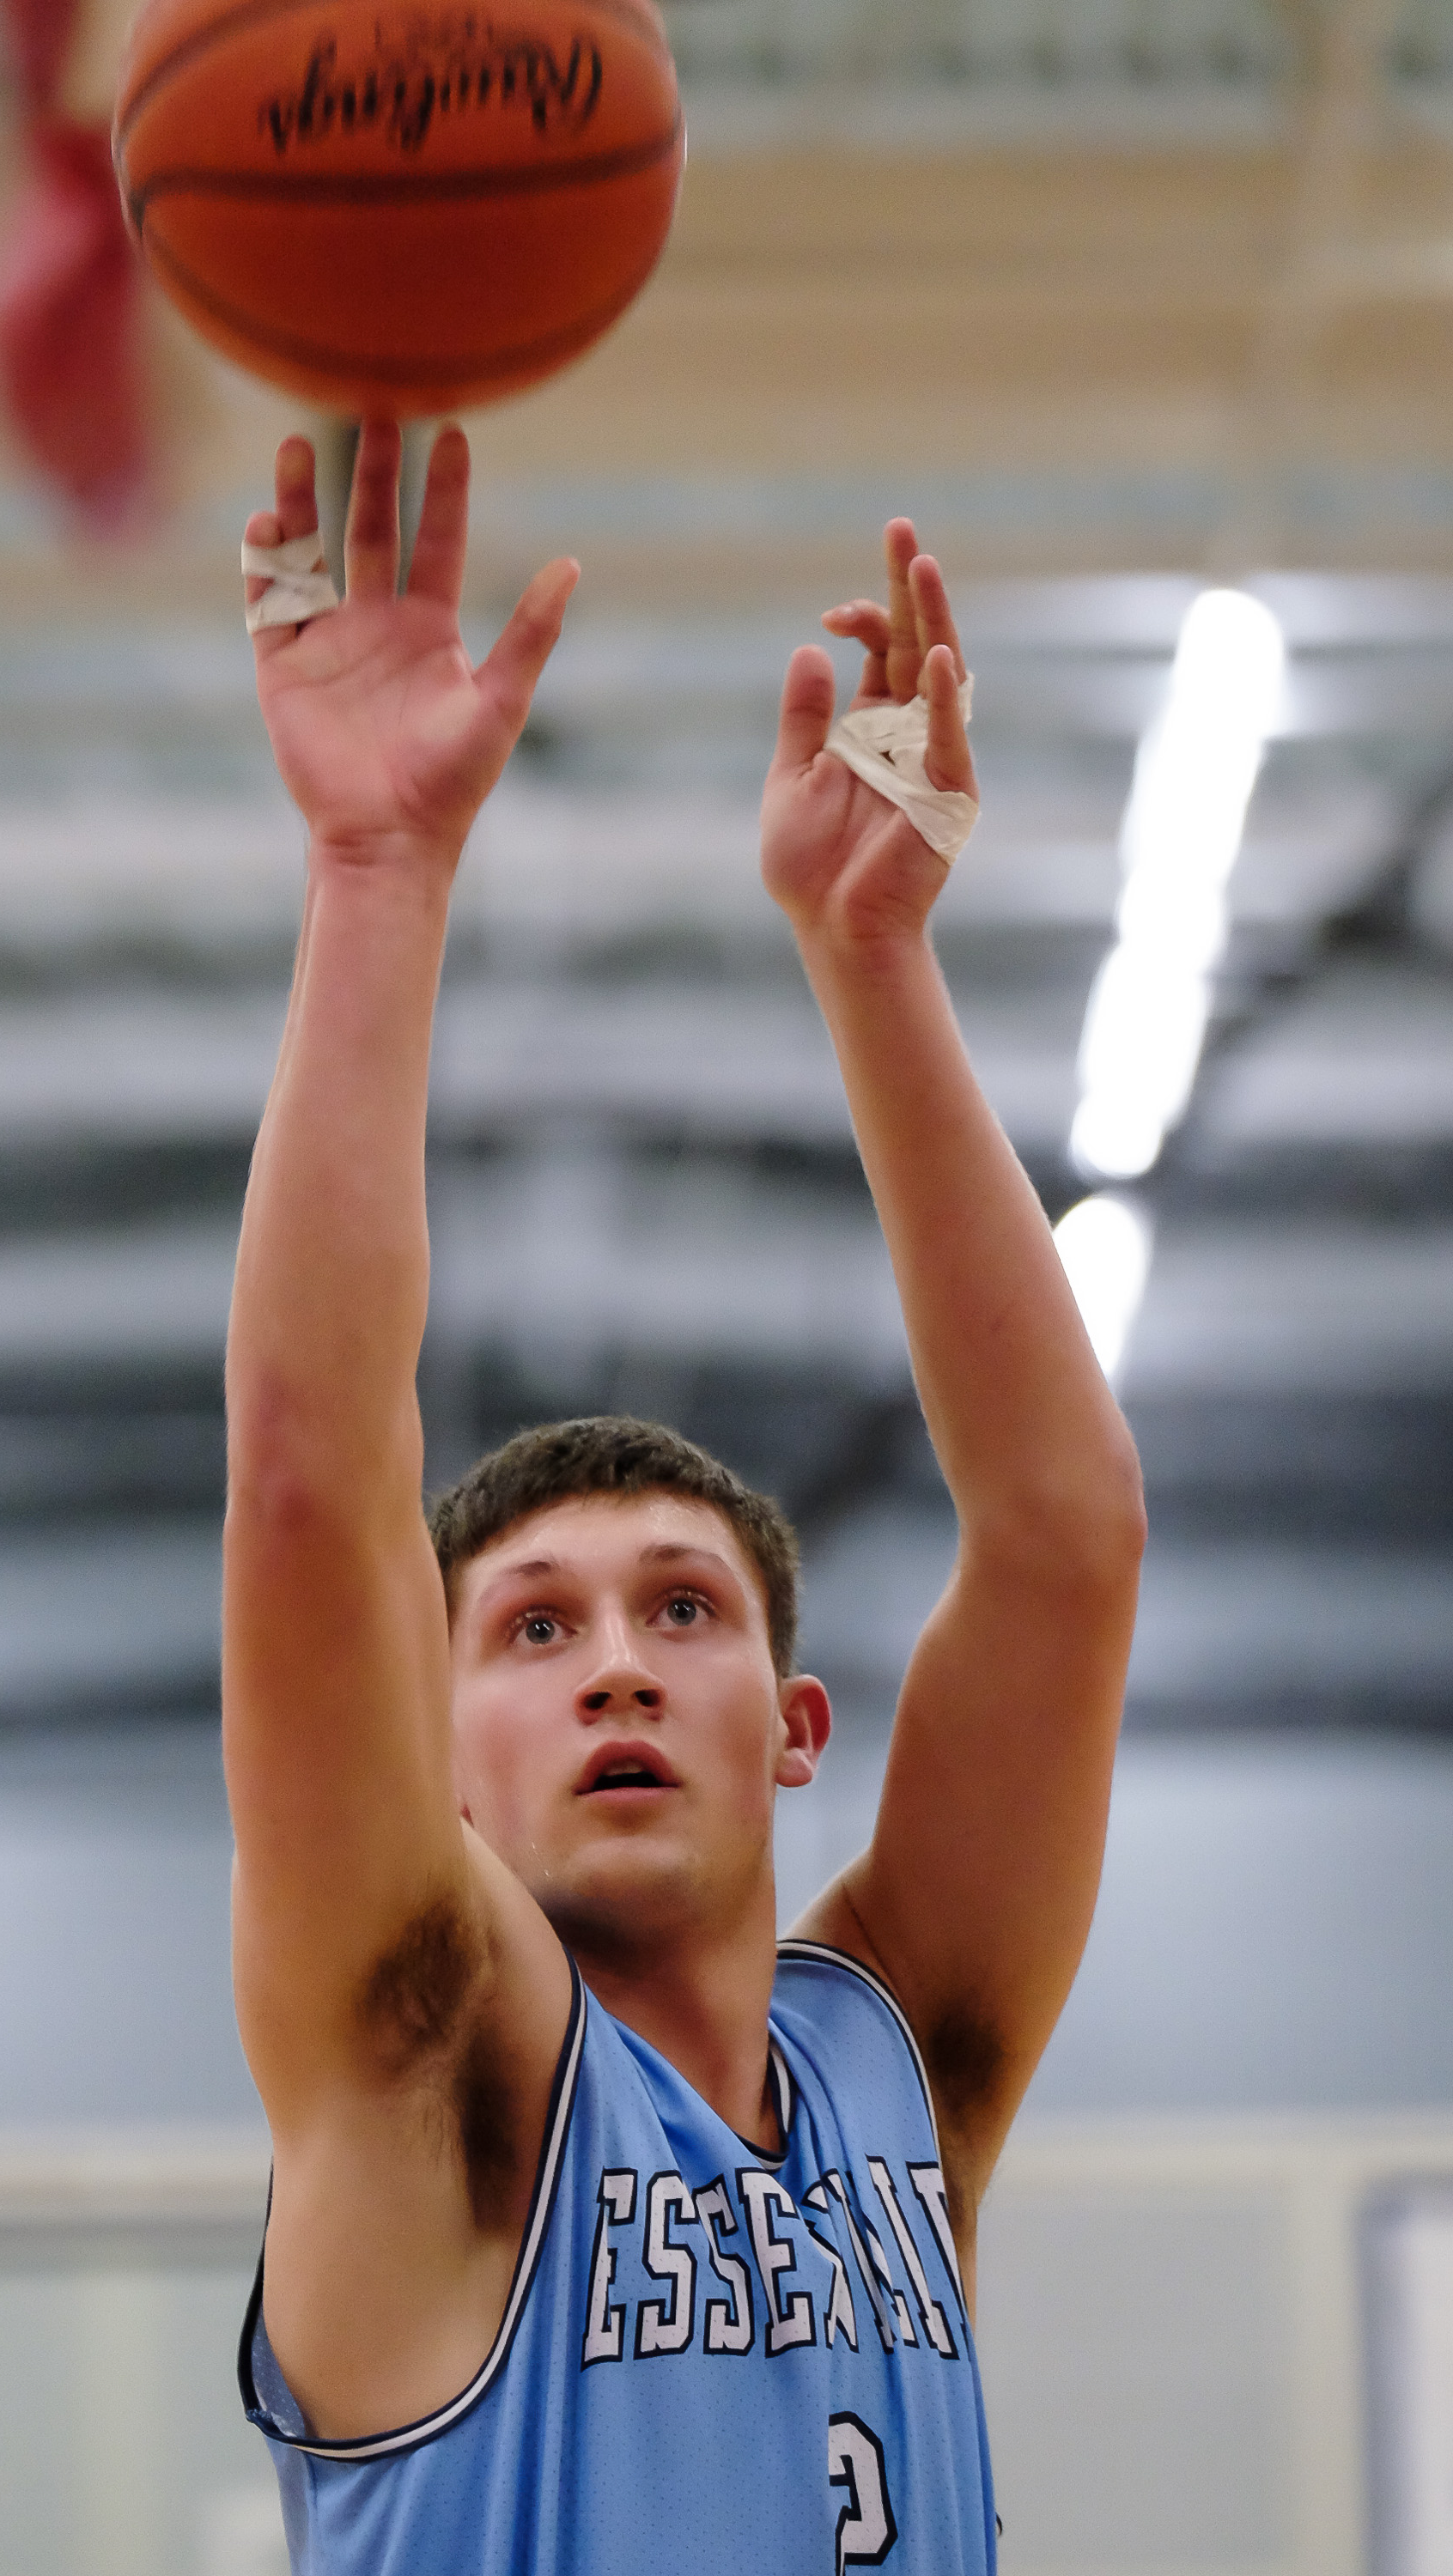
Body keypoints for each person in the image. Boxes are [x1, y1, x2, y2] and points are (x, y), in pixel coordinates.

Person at [224, 419, 1146, 2576]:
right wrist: (377, 878)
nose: (616, 1663)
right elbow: (299, 1482)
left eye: (684, 1613)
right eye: (532, 1629)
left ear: (796, 1726)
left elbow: (1066, 1537)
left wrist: (873, 952)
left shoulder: (895, 2068)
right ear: (432, 1757)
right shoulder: (435, 2073)